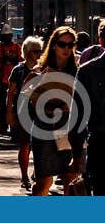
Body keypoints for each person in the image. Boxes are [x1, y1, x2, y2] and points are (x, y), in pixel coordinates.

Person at [21, 26, 84, 196]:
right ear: (54, 45)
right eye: (62, 44)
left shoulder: (79, 71)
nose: (66, 49)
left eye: (71, 45)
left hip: (71, 130)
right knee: (44, 182)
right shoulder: (40, 70)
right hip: (45, 130)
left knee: (70, 178)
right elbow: (25, 97)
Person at [6, 35, 44, 192]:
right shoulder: (18, 70)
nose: (38, 54)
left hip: (42, 114)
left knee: (41, 146)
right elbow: (11, 92)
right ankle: (24, 176)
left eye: (40, 51)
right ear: (27, 52)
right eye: (35, 51)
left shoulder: (44, 69)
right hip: (23, 112)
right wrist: (9, 113)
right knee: (25, 145)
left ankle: (38, 173)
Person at [76, 34, 105, 195]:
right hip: (98, 141)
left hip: (98, 142)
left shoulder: (87, 71)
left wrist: (77, 153)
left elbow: (78, 115)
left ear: (101, 41)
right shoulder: (87, 71)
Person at [0, 29, 21, 135]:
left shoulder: (17, 48)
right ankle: (3, 126)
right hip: (2, 82)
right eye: (5, 36)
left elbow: (22, 61)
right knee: (2, 105)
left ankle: (13, 126)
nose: (7, 38)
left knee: (14, 105)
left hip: (15, 82)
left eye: (8, 35)